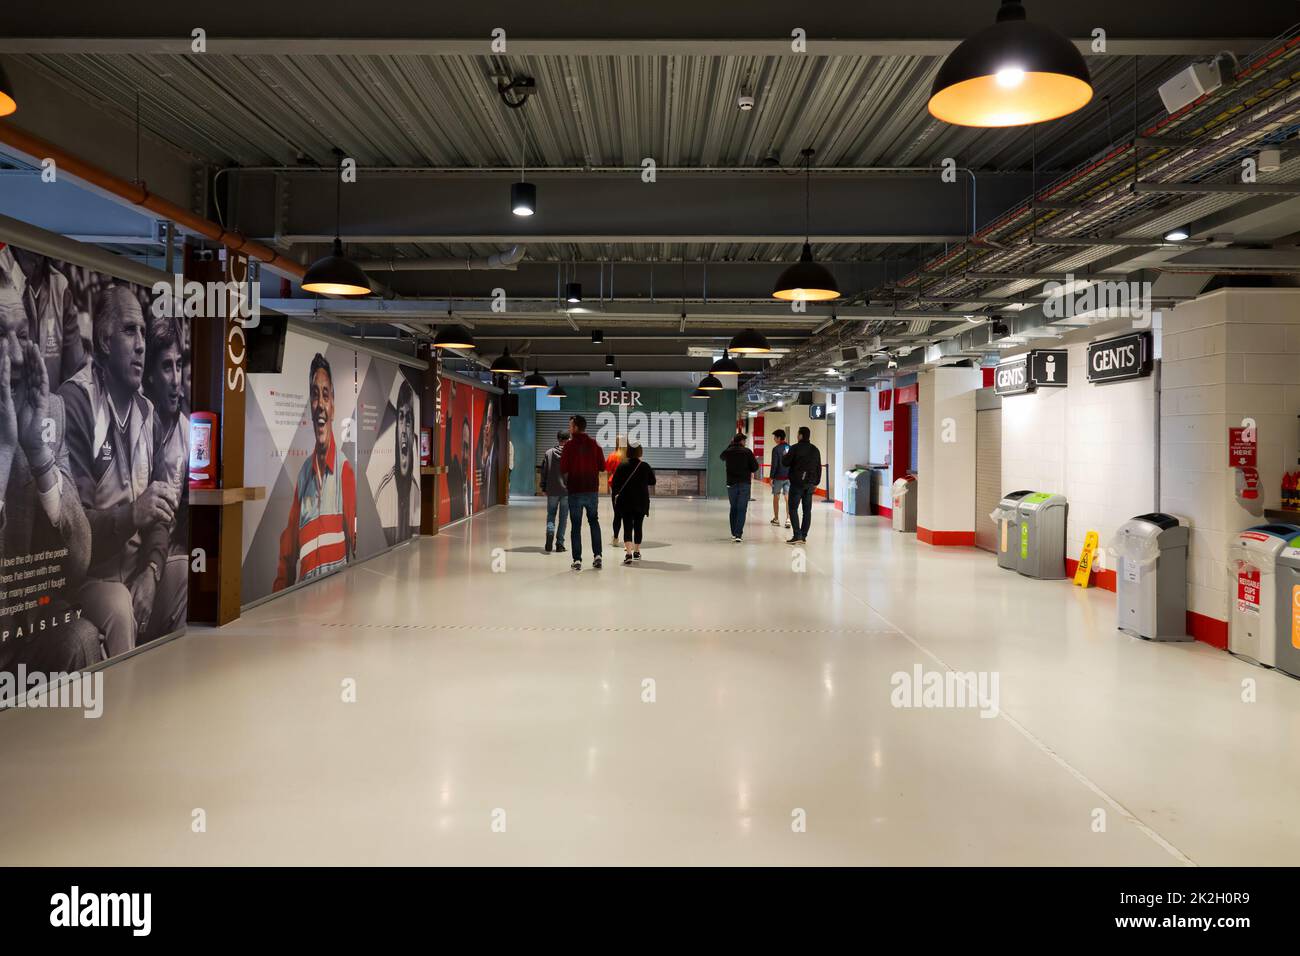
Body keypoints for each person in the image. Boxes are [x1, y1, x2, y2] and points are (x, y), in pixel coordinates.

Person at [60, 284, 177, 656]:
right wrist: (133, 514)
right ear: (105, 342)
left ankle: (173, 695)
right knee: (119, 608)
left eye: (143, 332)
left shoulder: (148, 413)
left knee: (183, 574)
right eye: (130, 331)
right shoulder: (75, 404)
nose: (142, 344)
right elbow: (73, 535)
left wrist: (153, 571)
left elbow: (160, 512)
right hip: (90, 577)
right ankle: (124, 712)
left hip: (136, 567)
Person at [0, 276, 100, 675]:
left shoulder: (50, 414)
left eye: (22, 335)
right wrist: (4, 453)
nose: (17, 355)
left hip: (20, 633)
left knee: (80, 638)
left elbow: (79, 563)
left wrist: (38, 455)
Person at [272, 353, 357, 591]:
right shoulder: (303, 476)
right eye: (314, 395)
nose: (320, 404)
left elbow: (354, 549)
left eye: (326, 395)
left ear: (333, 407)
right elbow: (287, 553)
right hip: (305, 601)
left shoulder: (344, 471)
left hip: (337, 599)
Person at [140, 312, 189, 639]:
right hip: (126, 559)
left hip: (164, 561)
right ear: (149, 376)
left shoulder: (188, 434)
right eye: (165, 366)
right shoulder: (134, 423)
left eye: (179, 365)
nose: (175, 379)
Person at [559, 414, 605, 571]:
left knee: (576, 526)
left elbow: (563, 468)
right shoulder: (594, 444)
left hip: (575, 491)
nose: (569, 428)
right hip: (591, 490)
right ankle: (597, 555)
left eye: (570, 426)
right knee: (594, 521)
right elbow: (602, 466)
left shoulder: (569, 446)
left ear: (576, 428)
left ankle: (577, 560)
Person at [376, 380, 417, 545]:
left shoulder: (417, 493)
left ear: (413, 428)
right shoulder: (383, 494)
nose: (404, 428)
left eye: (409, 419)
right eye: (401, 417)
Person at [610, 443, 655, 564]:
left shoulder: (622, 465)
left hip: (625, 502)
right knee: (638, 526)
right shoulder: (645, 466)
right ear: (640, 452)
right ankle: (637, 551)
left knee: (627, 526)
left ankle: (628, 554)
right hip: (641, 501)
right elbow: (652, 481)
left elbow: (614, 484)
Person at [782, 426, 822, 545]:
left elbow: (785, 463)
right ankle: (803, 536)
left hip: (797, 483)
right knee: (807, 510)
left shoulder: (794, 448)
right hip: (809, 484)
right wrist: (816, 482)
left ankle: (797, 534)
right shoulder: (815, 450)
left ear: (800, 435)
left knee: (793, 508)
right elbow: (818, 468)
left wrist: (785, 454)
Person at [720, 432, 758, 542]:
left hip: (731, 483)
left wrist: (730, 445)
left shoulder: (728, 452)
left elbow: (721, 457)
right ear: (741, 441)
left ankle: (733, 532)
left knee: (734, 508)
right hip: (744, 483)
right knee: (742, 508)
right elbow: (755, 467)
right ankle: (738, 534)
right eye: (744, 441)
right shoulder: (747, 452)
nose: (745, 443)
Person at [539, 430, 569, 554]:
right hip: (567, 491)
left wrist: (543, 487)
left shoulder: (548, 453)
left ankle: (550, 532)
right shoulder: (572, 454)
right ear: (568, 440)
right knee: (563, 517)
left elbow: (544, 471)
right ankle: (560, 543)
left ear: (557, 439)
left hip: (552, 490)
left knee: (551, 514)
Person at [769, 428, 791, 529]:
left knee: (776, 497)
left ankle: (776, 518)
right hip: (789, 477)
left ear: (778, 438)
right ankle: (788, 519)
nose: (774, 439)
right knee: (787, 497)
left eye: (775, 437)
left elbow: (775, 464)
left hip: (778, 477)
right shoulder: (790, 448)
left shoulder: (776, 449)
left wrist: (771, 477)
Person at [605, 435, 625, 546]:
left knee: (617, 514)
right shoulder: (629, 457)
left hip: (616, 487)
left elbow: (608, 470)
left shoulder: (612, 456)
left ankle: (616, 538)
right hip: (628, 487)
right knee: (628, 515)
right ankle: (628, 540)